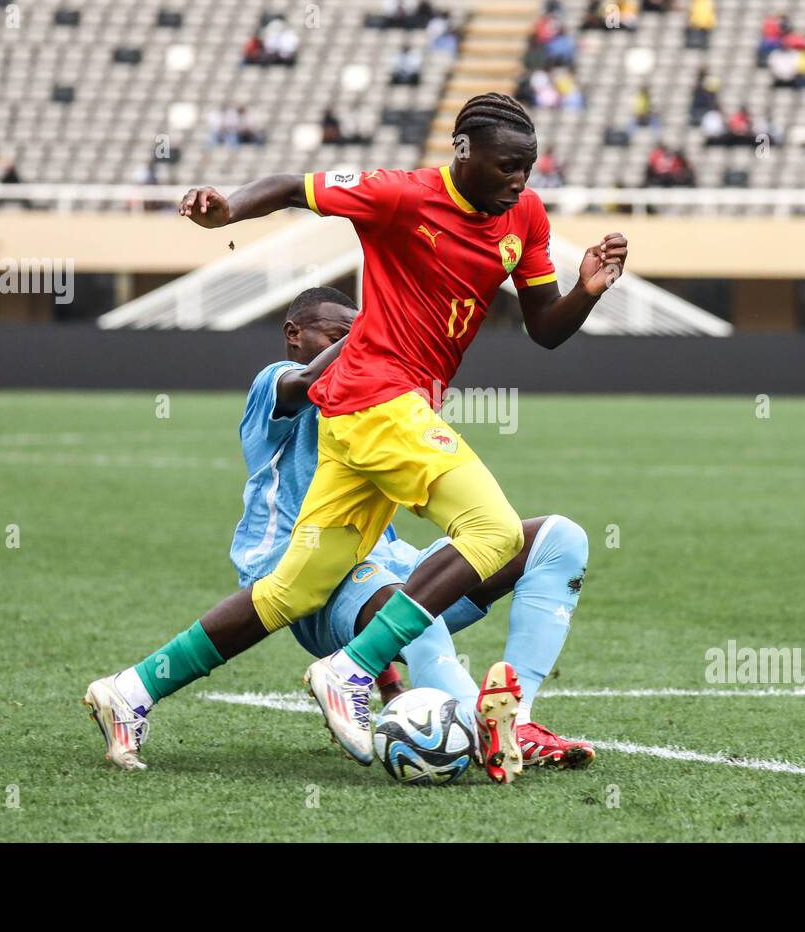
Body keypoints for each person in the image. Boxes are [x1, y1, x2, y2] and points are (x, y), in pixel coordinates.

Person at [147, 94, 626, 778]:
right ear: (463, 153)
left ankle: (129, 693)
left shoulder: (526, 215)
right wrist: (228, 208)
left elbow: (545, 325)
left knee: (293, 593)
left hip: (388, 413)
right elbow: (294, 186)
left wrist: (588, 291)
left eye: (529, 166)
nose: (521, 180)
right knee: (488, 532)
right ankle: (358, 669)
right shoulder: (401, 195)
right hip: (380, 400)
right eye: (507, 165)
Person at [85, 287, 596, 779]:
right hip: (301, 562)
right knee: (413, 612)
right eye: (337, 334)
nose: (355, 344)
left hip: (384, 562)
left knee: (559, 539)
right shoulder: (276, 380)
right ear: (293, 333)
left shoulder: (379, 396)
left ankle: (518, 721)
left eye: (360, 334)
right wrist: (381, 326)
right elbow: (307, 380)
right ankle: (479, 728)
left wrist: (390, 682)